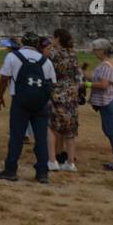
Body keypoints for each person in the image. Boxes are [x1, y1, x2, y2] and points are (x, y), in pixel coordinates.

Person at [0, 31, 56, 184]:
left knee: (16, 137)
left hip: (20, 101)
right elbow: (52, 84)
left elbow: (4, 78)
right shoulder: (45, 60)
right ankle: (42, 172)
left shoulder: (13, 57)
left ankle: (11, 169)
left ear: (23, 43)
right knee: (41, 138)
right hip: (40, 103)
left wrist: (0, 95)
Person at [87, 38, 113, 172]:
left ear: (102, 51)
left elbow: (103, 84)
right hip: (111, 100)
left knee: (112, 132)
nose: (94, 52)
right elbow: (101, 79)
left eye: (96, 50)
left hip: (108, 101)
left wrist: (86, 84)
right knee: (109, 130)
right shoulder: (111, 63)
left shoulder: (105, 65)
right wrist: (85, 76)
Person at [46, 28, 81, 172]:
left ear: (57, 38)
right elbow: (78, 74)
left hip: (57, 92)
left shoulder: (53, 54)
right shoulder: (73, 54)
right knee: (70, 129)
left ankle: (52, 160)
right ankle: (70, 162)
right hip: (71, 94)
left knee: (51, 127)